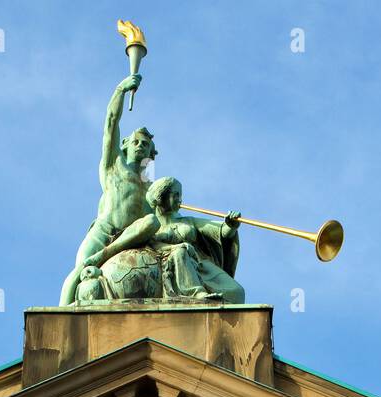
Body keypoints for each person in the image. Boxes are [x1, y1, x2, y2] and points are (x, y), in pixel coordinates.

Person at [59, 74, 156, 305]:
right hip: (103, 232)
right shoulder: (114, 165)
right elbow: (111, 122)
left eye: (146, 144)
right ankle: (62, 313)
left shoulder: (148, 183)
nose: (140, 145)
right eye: (136, 141)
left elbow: (162, 215)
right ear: (125, 145)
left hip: (132, 239)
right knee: (80, 269)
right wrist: (121, 90)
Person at [83, 176, 244, 303]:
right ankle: (196, 293)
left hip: (198, 267)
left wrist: (230, 225)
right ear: (161, 197)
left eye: (180, 195)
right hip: (164, 262)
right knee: (180, 252)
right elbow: (142, 243)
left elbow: (220, 231)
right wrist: (172, 248)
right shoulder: (148, 223)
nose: (180, 199)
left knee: (236, 292)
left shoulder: (188, 221)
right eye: (175, 195)